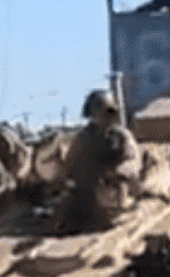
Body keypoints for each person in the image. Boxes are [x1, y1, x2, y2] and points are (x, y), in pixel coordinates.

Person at [58, 89, 143, 233]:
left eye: (108, 113)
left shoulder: (121, 136)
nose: (104, 118)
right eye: (101, 113)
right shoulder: (83, 139)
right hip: (88, 196)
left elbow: (133, 160)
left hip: (117, 194)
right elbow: (69, 166)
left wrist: (120, 171)